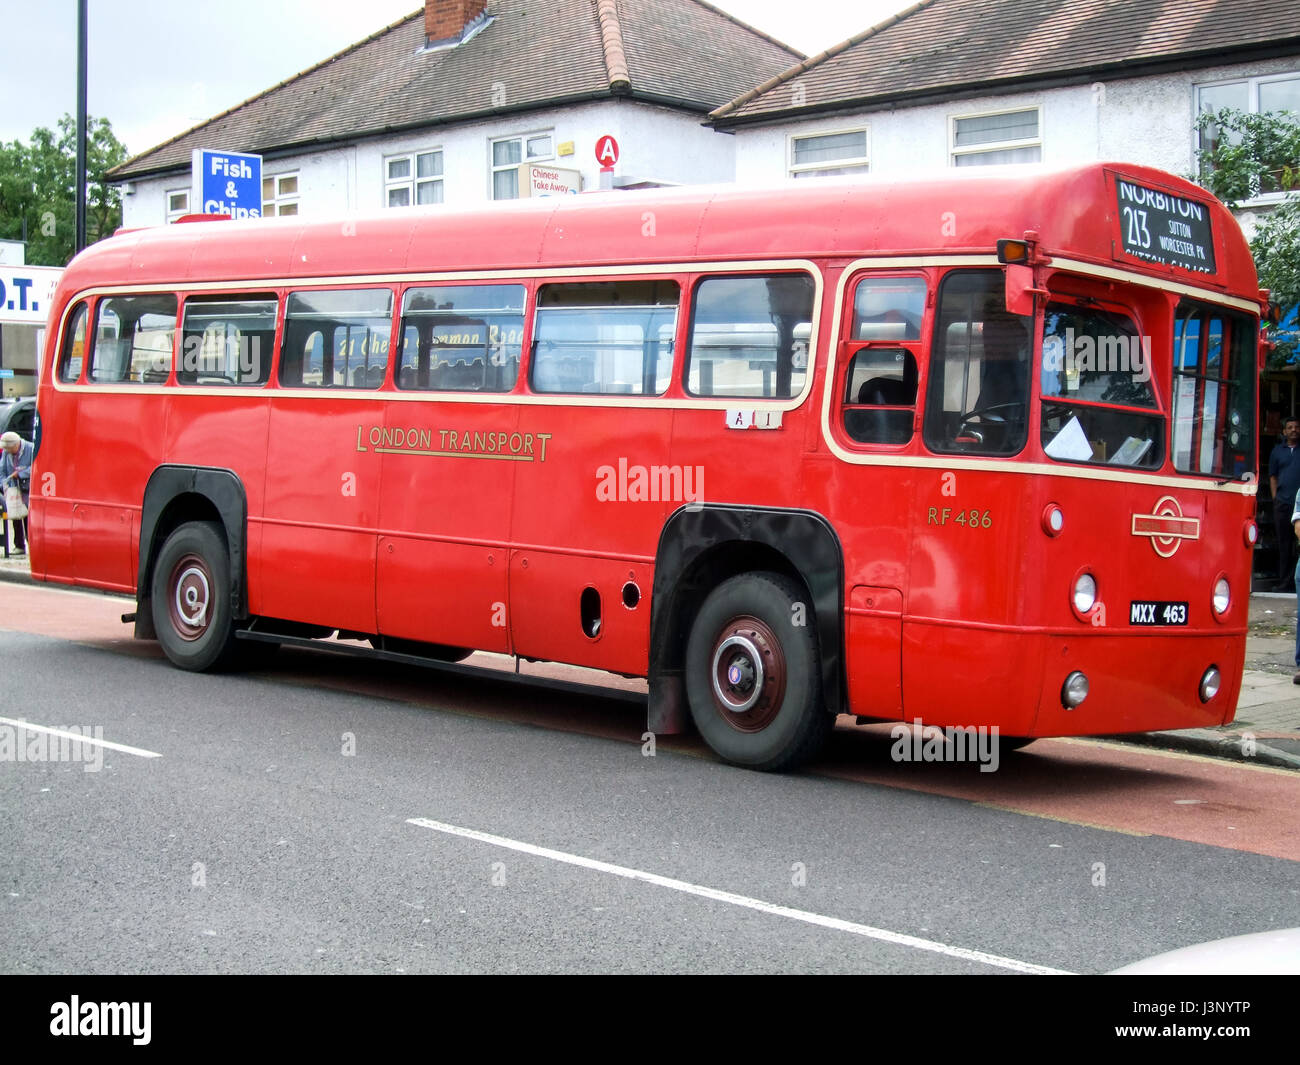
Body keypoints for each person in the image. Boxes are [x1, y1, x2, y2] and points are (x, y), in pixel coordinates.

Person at [1270, 418, 1300, 591]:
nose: (1294, 430)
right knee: (1284, 544)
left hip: (1299, 505)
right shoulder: (1276, 452)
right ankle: (1284, 583)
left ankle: (1295, 581)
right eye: (1290, 428)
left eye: (1296, 427)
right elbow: (1272, 476)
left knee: (1298, 545)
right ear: (1284, 432)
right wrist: (1276, 499)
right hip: (1283, 503)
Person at [0, 430, 33, 557]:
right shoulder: (7, 453)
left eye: (8, 448)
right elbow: (2, 469)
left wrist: (20, 474)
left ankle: (31, 544)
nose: (7, 451)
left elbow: (36, 465)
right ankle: (19, 545)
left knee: (27, 517)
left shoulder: (30, 448)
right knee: (15, 516)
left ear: (15, 445)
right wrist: (4, 484)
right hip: (13, 489)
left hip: (27, 488)